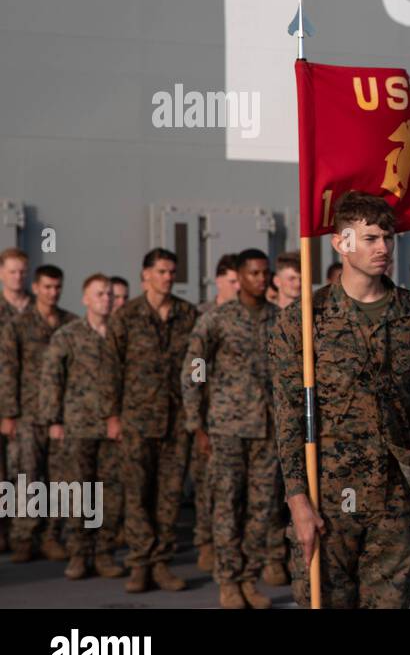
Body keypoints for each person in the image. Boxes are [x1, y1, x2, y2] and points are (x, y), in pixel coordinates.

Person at [270, 191, 410, 608]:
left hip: (394, 498)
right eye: (370, 239)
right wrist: (297, 499)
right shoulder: (304, 319)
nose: (383, 248)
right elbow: (289, 415)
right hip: (326, 494)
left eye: (388, 237)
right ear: (340, 243)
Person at [183, 249, 282, 608]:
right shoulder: (217, 320)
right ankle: (227, 580)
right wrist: (197, 422)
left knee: (261, 508)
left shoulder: (280, 319)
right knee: (226, 506)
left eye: (264, 273)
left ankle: (248, 578)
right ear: (238, 277)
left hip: (268, 429)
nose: (260, 279)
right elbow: (195, 367)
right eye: (253, 273)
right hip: (226, 428)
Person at [104, 248, 199, 593]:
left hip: (177, 420)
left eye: (172, 272)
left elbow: (198, 364)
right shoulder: (126, 317)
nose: (168, 277)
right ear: (145, 275)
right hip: (137, 419)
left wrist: (197, 402)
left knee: (170, 495)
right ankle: (140, 563)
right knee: (138, 494)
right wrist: (112, 416)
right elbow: (111, 368)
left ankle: (161, 563)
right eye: (161, 271)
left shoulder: (187, 315)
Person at [38, 273, 125, 579]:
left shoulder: (121, 333)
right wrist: (54, 420)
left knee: (110, 493)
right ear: (85, 299)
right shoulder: (68, 335)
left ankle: (104, 552)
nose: (106, 299)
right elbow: (52, 379)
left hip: (112, 428)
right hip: (77, 426)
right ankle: (78, 553)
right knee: (78, 492)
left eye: (110, 294)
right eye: (99, 294)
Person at [0, 264, 77, 562]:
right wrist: (8, 413)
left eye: (57, 287)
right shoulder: (17, 327)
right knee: (27, 477)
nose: (52, 293)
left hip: (61, 414)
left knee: (59, 478)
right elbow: (8, 370)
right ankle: (23, 536)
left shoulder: (70, 324)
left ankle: (51, 536)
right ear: (35, 288)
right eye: (46, 287)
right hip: (28, 413)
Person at [191, 252, 239, 573]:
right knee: (206, 484)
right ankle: (206, 542)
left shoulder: (247, 315)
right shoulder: (202, 316)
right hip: (209, 413)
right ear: (218, 279)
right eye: (232, 281)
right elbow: (194, 367)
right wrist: (195, 414)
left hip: (240, 416)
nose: (238, 287)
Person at [0, 247, 33, 554]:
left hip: (28, 403)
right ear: (1, 274)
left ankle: (24, 533)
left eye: (22, 271)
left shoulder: (36, 311)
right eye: (12, 271)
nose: (18, 277)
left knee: (23, 470)